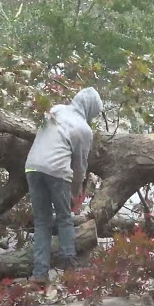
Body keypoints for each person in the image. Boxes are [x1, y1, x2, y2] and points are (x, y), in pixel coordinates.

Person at [25, 87, 103, 285]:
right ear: (91, 109)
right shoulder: (84, 129)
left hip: (32, 166)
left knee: (41, 221)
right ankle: (70, 269)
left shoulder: (57, 109)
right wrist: (75, 191)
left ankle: (40, 274)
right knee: (64, 218)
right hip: (57, 171)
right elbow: (79, 166)